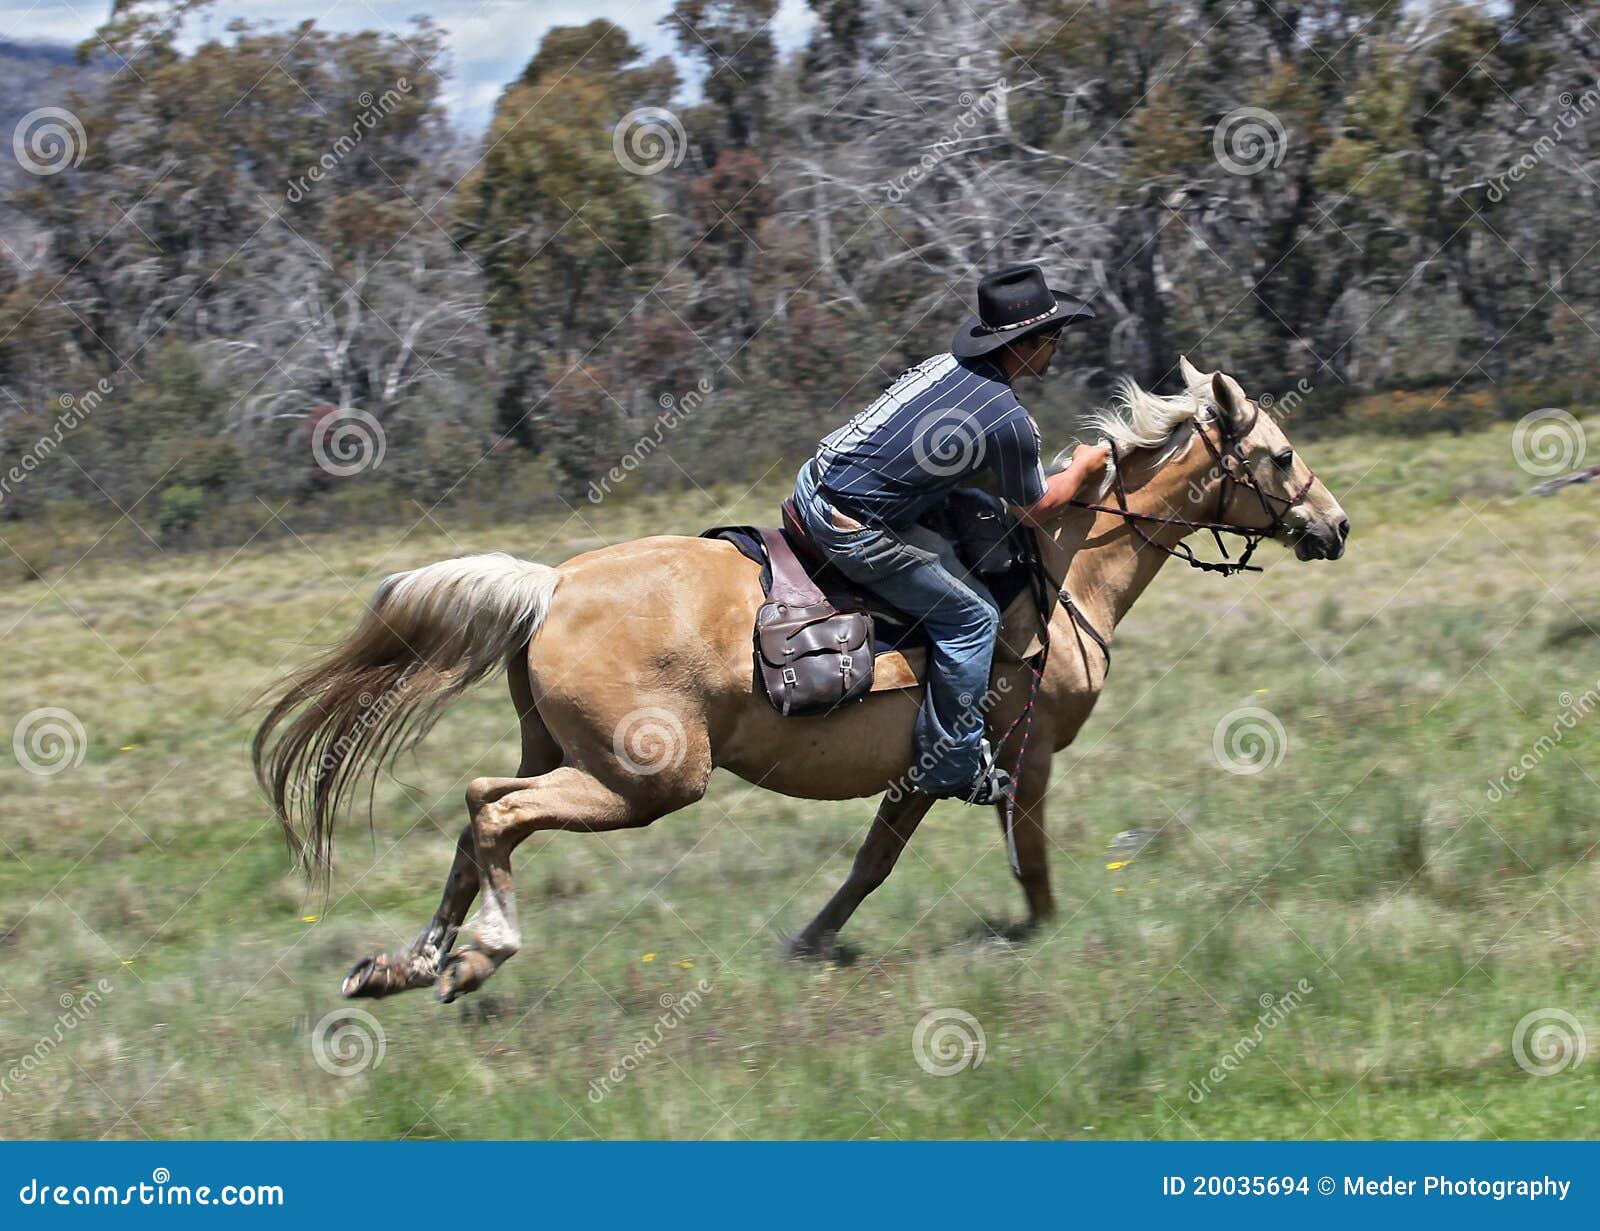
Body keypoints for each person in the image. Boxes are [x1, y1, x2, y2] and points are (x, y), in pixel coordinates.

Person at [791, 263, 1110, 804]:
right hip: (850, 525)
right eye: (1052, 337)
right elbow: (1035, 511)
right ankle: (951, 763)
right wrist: (1083, 465)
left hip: (813, 483)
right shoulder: (1008, 419)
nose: (1057, 347)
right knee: (972, 617)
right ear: (1025, 344)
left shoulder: (944, 367)